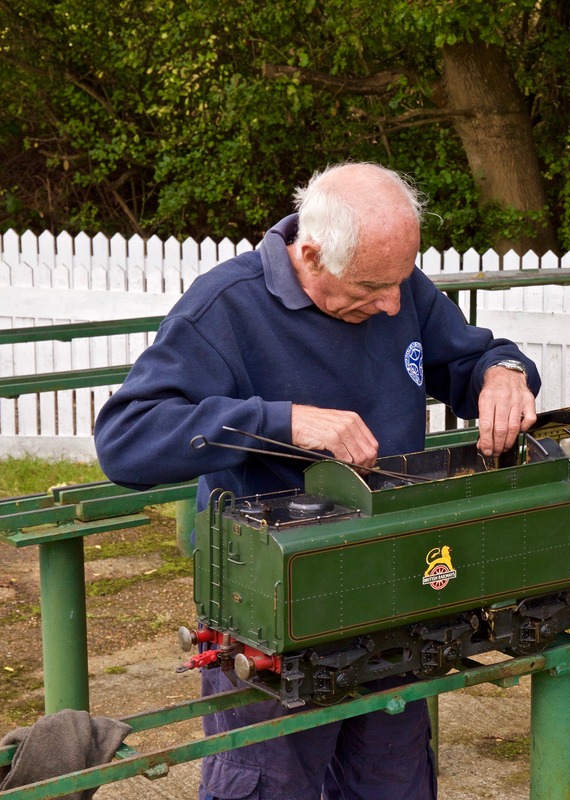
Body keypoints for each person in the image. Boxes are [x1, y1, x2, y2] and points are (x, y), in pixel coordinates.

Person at [93, 162, 541, 799]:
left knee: (394, 784)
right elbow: (125, 439)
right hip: (278, 611)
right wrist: (284, 422)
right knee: (270, 785)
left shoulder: (398, 286)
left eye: (401, 283)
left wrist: (503, 372)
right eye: (372, 287)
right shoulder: (227, 307)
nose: (393, 304)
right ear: (310, 253)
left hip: (394, 590)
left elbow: (471, 355)